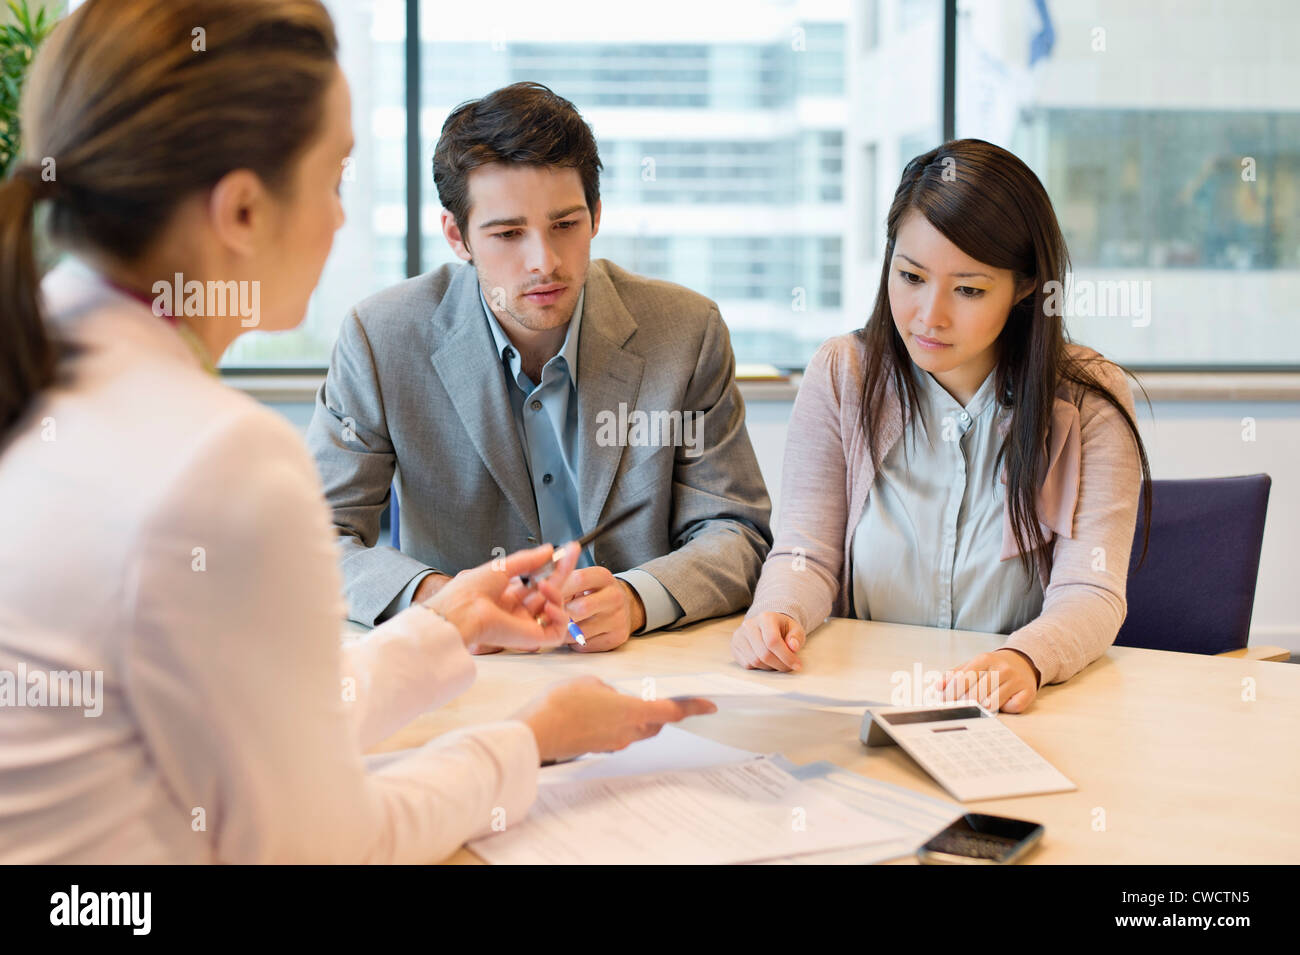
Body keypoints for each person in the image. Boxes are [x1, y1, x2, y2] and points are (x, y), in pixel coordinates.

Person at [0, 0, 712, 864]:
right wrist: (532, 737)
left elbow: (257, 716)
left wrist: (443, 624)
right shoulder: (218, 456)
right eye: (334, 177)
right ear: (242, 213)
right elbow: (326, 846)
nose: (342, 218)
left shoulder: (54, 371)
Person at [305, 82, 773, 652]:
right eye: (507, 234)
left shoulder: (686, 331)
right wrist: (439, 600)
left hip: (641, 660)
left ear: (596, 215)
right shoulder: (380, 340)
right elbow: (315, 540)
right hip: (464, 672)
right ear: (459, 236)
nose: (543, 262)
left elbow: (736, 531)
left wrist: (635, 599)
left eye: (565, 225)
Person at [733, 139, 1152, 713]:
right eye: (910, 277)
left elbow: (1091, 591)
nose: (930, 316)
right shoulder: (843, 375)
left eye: (969, 290)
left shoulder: (1089, 401)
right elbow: (807, 555)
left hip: (1018, 716)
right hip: (866, 705)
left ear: (1026, 285)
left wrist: (1025, 659)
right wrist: (777, 611)